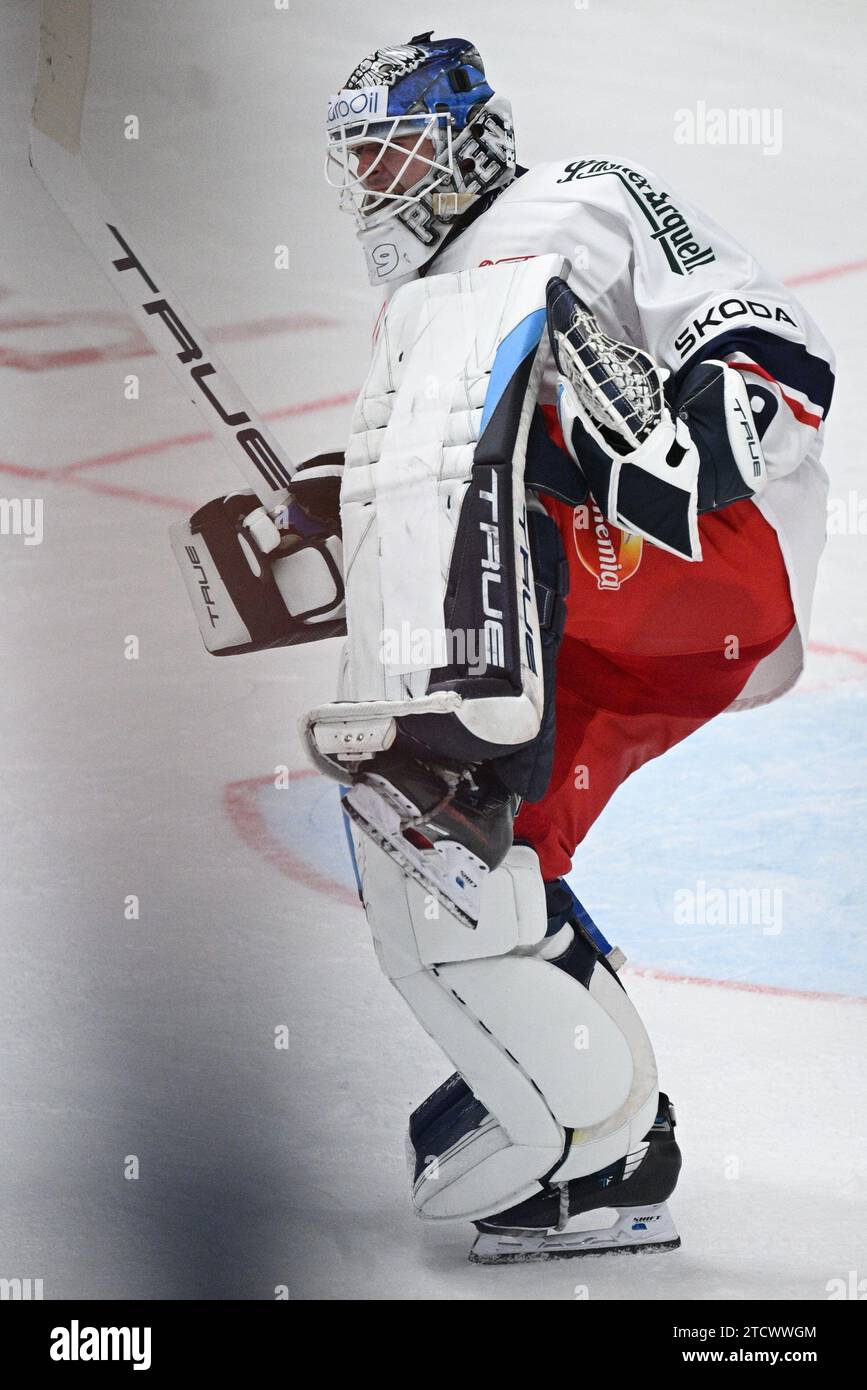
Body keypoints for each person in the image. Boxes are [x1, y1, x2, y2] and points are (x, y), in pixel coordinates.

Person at [180, 34, 834, 1262]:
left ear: (466, 139)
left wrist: (708, 428)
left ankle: (588, 1119)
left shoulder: (573, 197)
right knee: (462, 843)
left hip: (692, 563)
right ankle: (606, 1146)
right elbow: (450, 487)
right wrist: (330, 521)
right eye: (358, 161)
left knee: (442, 797)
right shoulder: (424, 303)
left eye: (396, 150)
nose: (375, 182)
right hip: (594, 623)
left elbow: (766, 343)